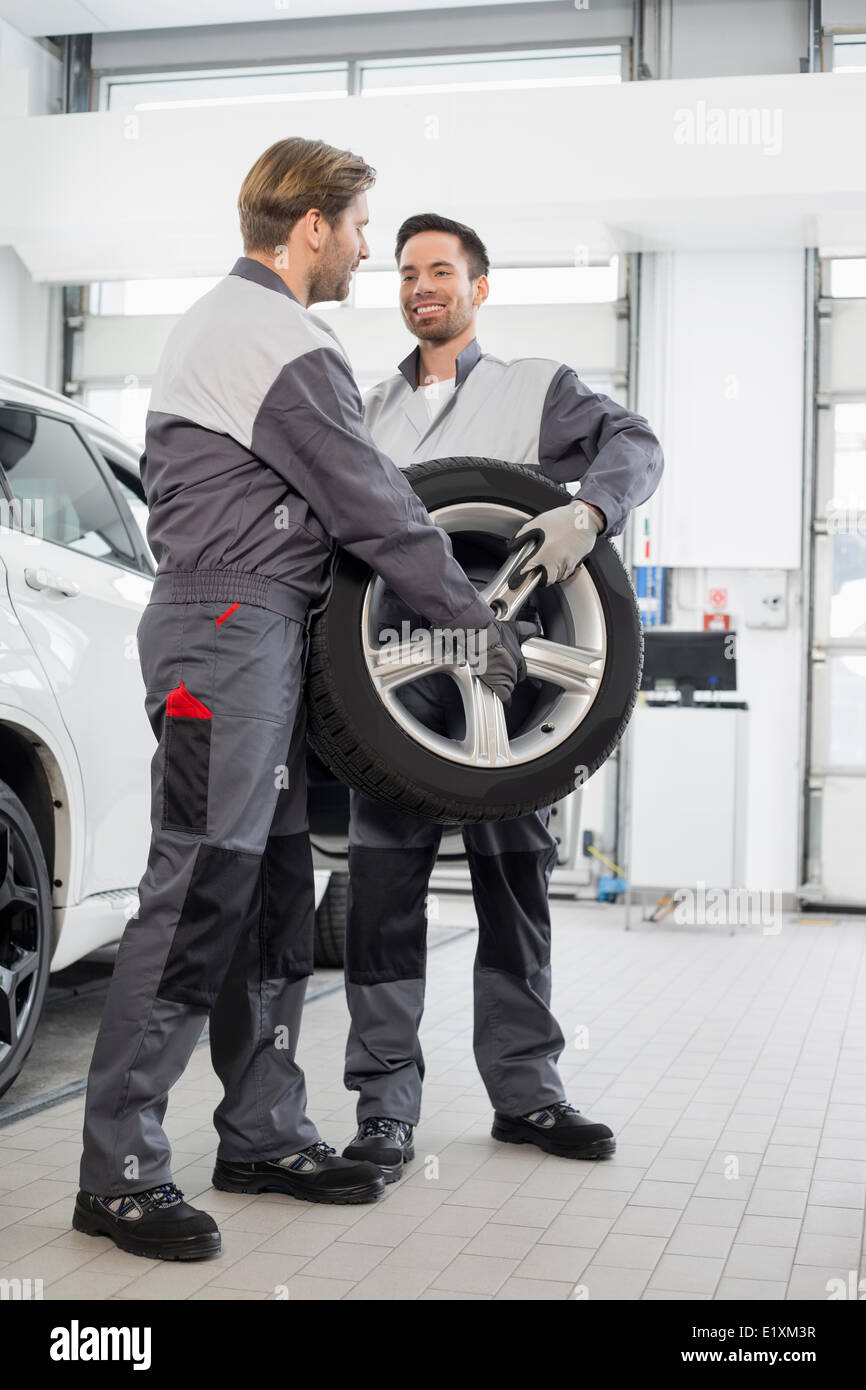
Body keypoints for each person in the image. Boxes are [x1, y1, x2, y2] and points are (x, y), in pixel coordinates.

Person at [73, 148, 525, 1261]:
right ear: (311, 226)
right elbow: (372, 506)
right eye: (363, 227)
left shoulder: (225, 325)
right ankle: (118, 1168)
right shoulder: (277, 335)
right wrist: (472, 621)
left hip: (247, 631)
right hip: (222, 636)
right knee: (197, 889)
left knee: (274, 890)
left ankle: (264, 1130)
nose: (373, 252)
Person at [341, 213, 664, 1182]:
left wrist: (589, 509)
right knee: (382, 895)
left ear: (478, 288)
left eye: (440, 270)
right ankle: (384, 1106)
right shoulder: (365, 414)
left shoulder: (535, 390)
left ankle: (526, 1092)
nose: (419, 286)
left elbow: (634, 443)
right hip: (394, 680)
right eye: (405, 272)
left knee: (513, 887)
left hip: (515, 677)